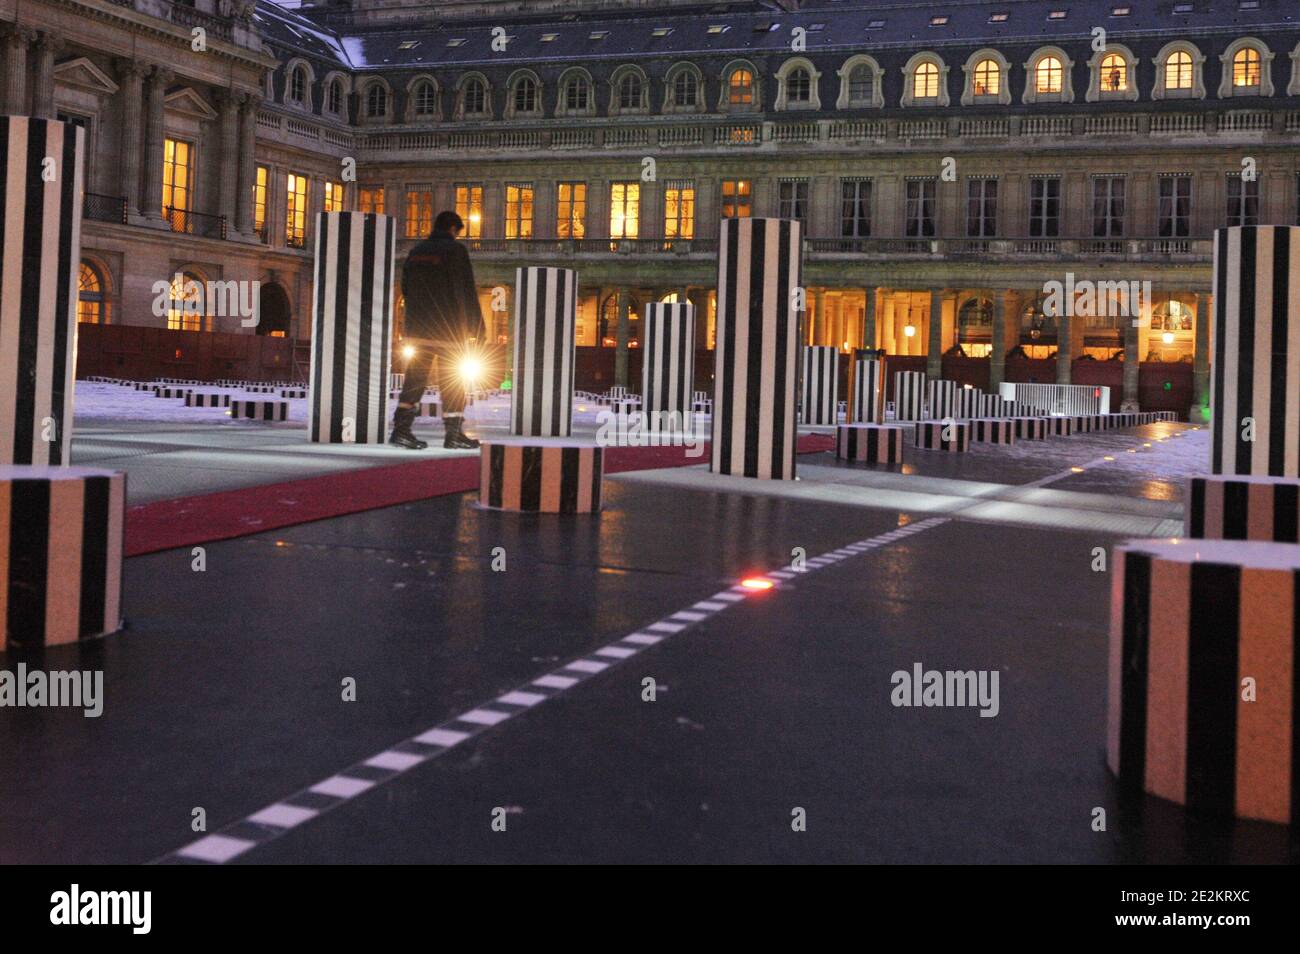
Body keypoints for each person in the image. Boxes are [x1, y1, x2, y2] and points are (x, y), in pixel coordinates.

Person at [392, 210, 488, 450]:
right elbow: (464, 289)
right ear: (453, 229)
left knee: (415, 379)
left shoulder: (415, 253)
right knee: (453, 381)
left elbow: (405, 289)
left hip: (417, 328)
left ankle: (401, 431)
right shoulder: (455, 251)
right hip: (447, 330)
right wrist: (477, 327)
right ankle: (453, 434)